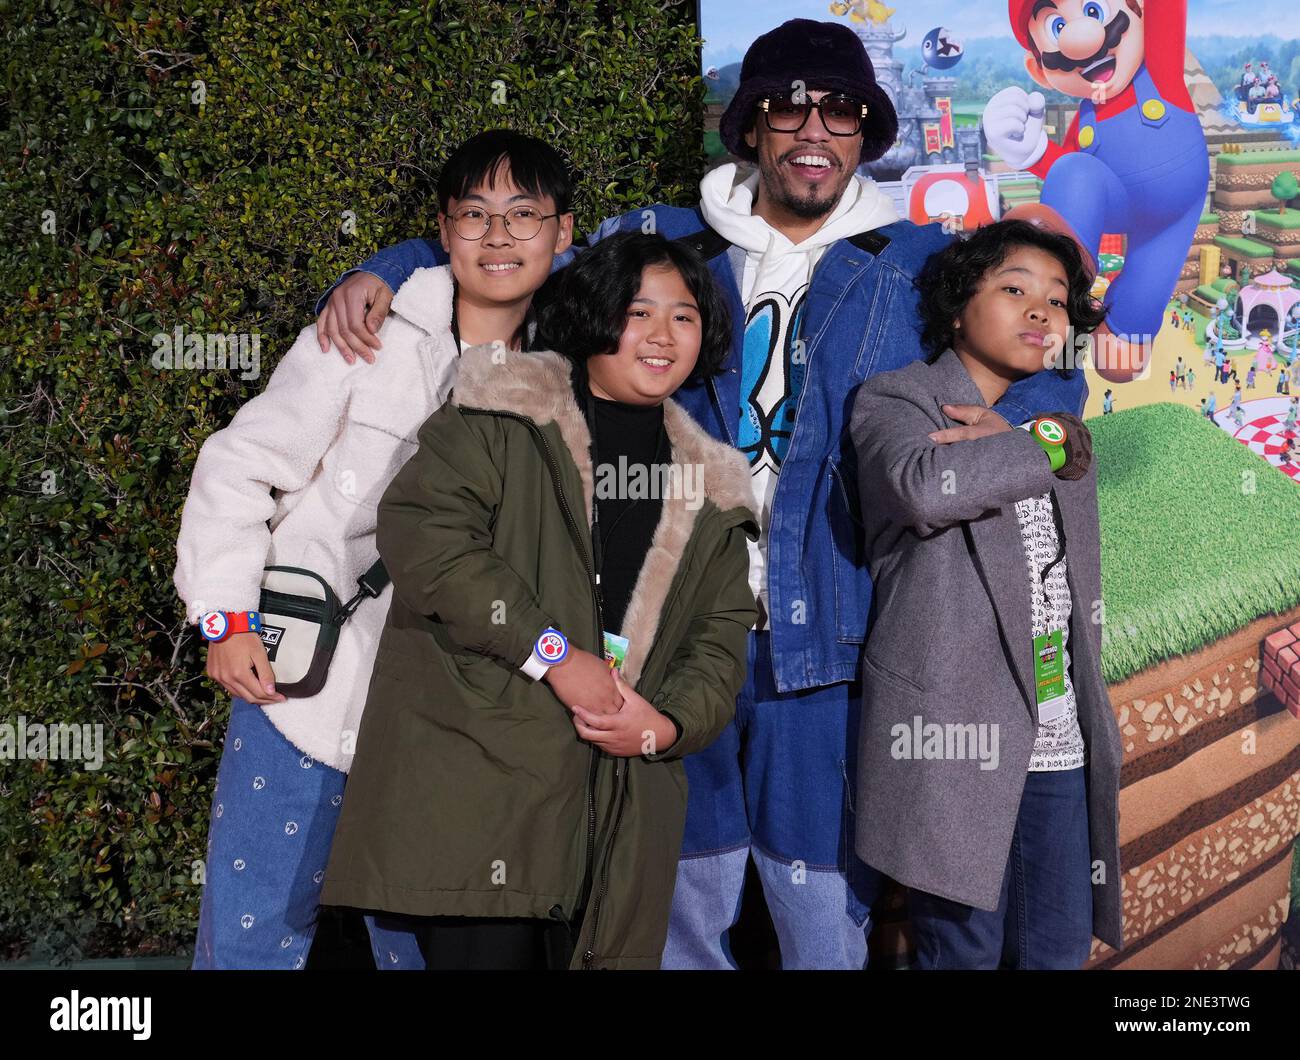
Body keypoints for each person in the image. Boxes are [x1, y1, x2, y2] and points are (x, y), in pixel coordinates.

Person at [309, 20, 1087, 969]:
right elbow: (511, 253)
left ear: (867, 133)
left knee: (822, 920)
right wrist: (386, 268)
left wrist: (1042, 420)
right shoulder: (662, 242)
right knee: (676, 909)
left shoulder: (916, 262)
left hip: (831, 647)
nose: (814, 128)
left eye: (840, 109)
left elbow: (1027, 335)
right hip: (674, 631)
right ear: (751, 126)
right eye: (789, 105)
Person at [172, 129, 575, 969]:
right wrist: (224, 618)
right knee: (253, 934)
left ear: (562, 233)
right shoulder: (366, 334)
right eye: (475, 215)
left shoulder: (581, 355)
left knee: (421, 949)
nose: (498, 236)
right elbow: (241, 466)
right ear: (443, 228)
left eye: (522, 215)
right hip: (309, 688)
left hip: (458, 716)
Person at [319, 232, 760, 969]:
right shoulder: (499, 416)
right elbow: (427, 538)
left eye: (683, 317)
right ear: (594, 316)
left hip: (617, 816)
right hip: (482, 786)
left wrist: (668, 722)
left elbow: (719, 638)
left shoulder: (714, 485)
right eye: (637, 311)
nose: (662, 336)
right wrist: (553, 655)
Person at [849, 219, 1123, 968]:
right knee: (961, 954)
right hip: (956, 736)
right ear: (958, 307)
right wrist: (1045, 444)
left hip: (1058, 735)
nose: (1042, 312)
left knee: (1056, 950)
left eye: (1058, 301)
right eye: (1015, 290)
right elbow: (925, 488)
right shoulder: (896, 399)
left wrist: (1038, 438)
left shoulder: (1046, 424)